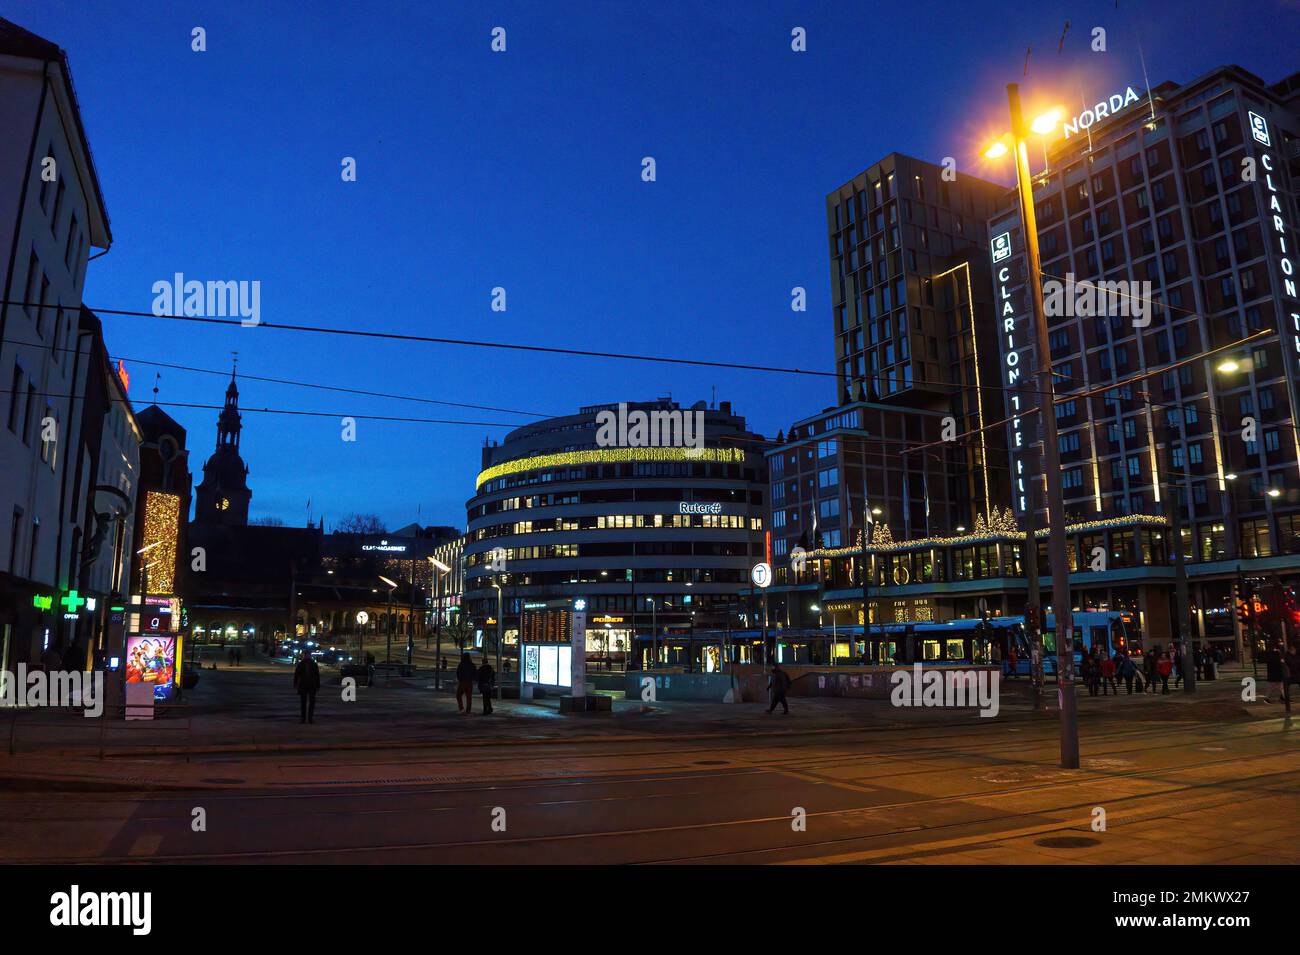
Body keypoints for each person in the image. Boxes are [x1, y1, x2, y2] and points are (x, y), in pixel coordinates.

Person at [293, 648, 321, 723]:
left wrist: (295, 684)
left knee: (307, 702)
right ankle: (306, 718)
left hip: (308, 685)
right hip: (307, 685)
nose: (307, 656)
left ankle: (307, 718)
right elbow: (296, 675)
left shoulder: (305, 664)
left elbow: (317, 675)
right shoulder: (305, 664)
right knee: (306, 702)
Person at [1263, 640, 1290, 711]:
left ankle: (1282, 698)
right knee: (1279, 687)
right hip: (1276, 674)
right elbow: (1279, 663)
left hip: (1273, 675)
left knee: (1276, 687)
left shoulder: (1271, 655)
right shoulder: (1277, 655)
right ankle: (1282, 698)